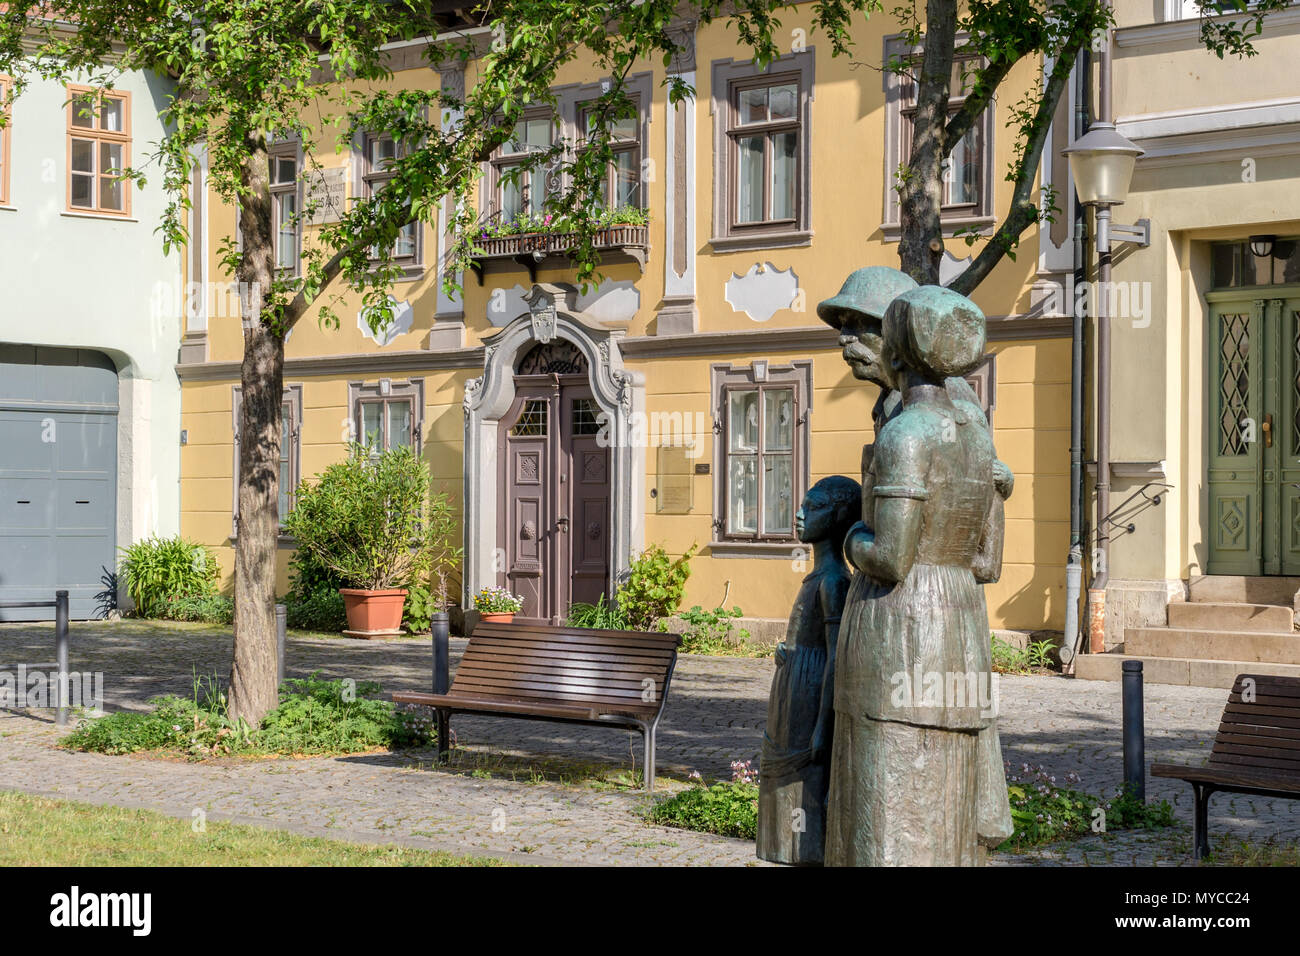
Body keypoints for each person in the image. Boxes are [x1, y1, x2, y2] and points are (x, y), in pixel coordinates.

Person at [818, 267, 1014, 856]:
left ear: (898, 337)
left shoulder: (948, 410)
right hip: (939, 619)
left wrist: (853, 535)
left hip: (913, 620)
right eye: (843, 327)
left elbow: (979, 538)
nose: (845, 342)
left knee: (907, 788)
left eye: (861, 327)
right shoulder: (894, 406)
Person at [756, 475, 861, 866]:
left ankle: (806, 852)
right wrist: (791, 649)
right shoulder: (817, 576)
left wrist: (823, 725)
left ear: (835, 518)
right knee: (782, 780)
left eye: (812, 508)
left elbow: (836, 656)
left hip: (810, 692)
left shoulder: (834, 581)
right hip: (792, 690)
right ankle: (784, 849)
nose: (799, 515)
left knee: (805, 782)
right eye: (802, 505)